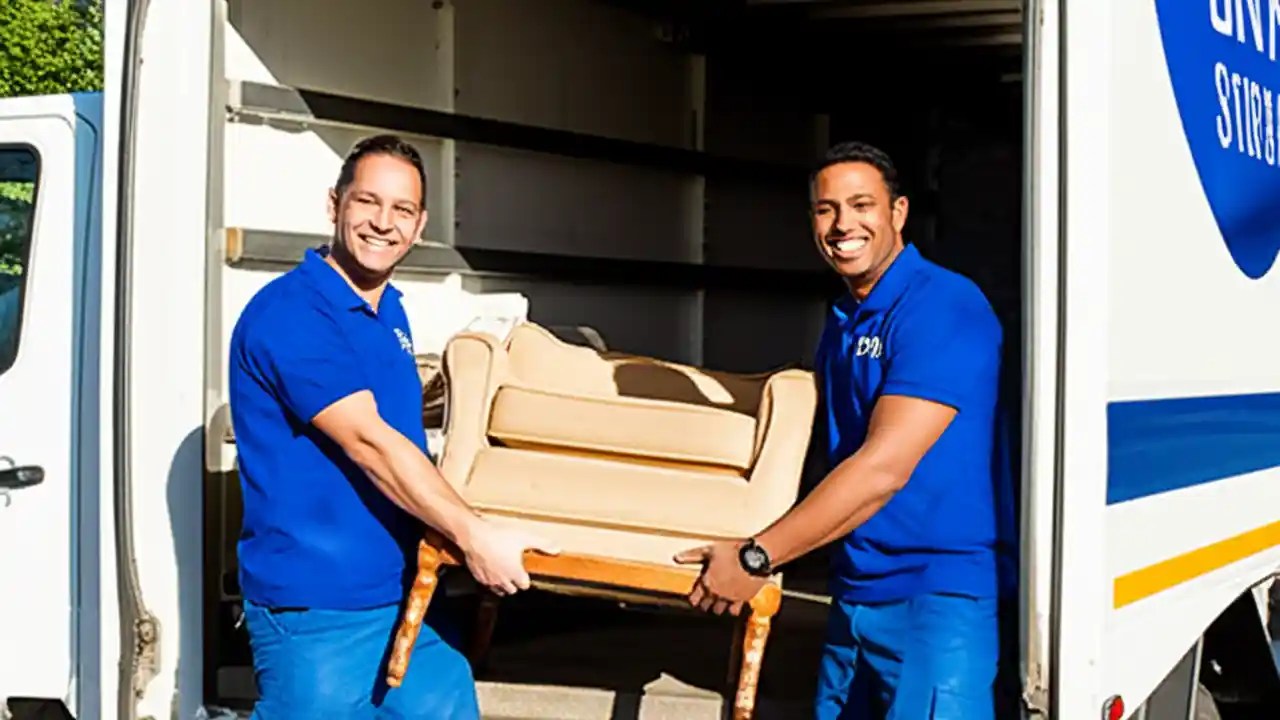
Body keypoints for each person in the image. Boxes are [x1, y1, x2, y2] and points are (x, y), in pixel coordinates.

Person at [675, 141, 1014, 719]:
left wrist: (758, 558)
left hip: (936, 597)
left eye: (862, 205)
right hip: (855, 592)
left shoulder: (944, 306)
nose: (842, 224)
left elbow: (884, 467)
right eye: (826, 209)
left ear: (898, 212)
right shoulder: (843, 320)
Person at [228, 134, 559, 719]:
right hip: (319, 614)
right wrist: (476, 536)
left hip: (407, 600)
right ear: (335, 205)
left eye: (402, 210)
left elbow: (407, 442)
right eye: (367, 202)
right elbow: (371, 444)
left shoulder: (389, 311)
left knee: (450, 699)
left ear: (420, 223)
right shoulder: (291, 313)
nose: (383, 223)